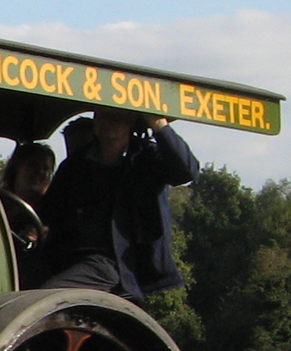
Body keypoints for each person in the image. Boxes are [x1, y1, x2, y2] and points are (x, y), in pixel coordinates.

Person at [35, 107, 197, 303]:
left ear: (132, 120)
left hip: (117, 264)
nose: (106, 120)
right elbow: (49, 214)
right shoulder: (75, 165)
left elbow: (186, 171)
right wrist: (33, 230)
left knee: (45, 299)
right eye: (101, 113)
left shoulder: (147, 158)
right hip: (69, 259)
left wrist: (157, 123)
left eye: (115, 115)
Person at [0, 141, 56, 286]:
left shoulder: (52, 210)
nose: (40, 172)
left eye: (46, 168)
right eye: (33, 166)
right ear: (16, 168)